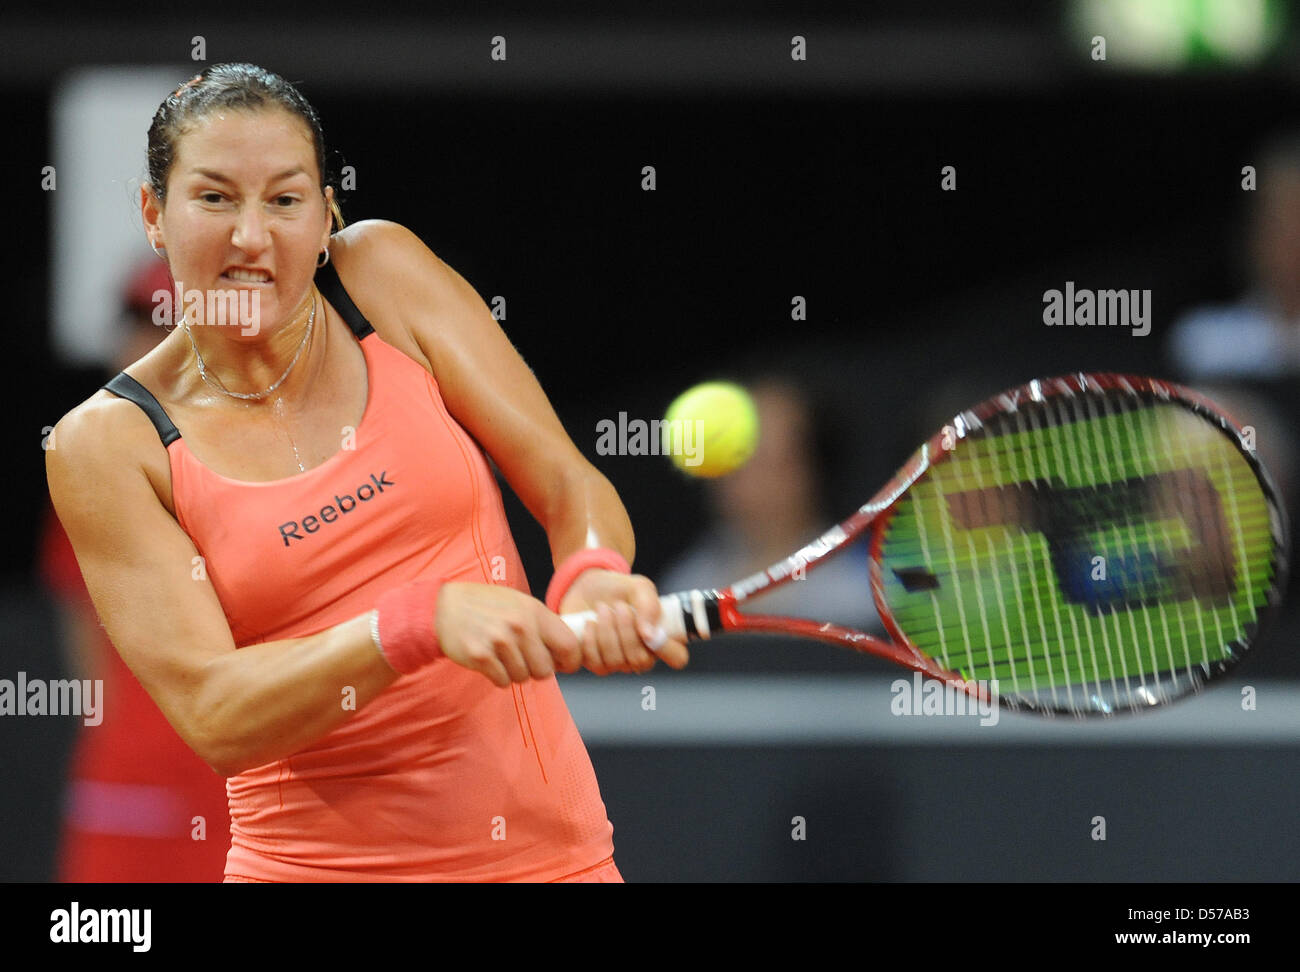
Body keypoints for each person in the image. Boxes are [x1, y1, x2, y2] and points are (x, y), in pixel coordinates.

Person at [45, 63, 687, 883]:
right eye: (214, 198)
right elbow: (214, 712)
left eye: (284, 199)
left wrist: (594, 569)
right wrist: (412, 623)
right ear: (154, 214)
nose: (251, 237)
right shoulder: (106, 442)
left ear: (325, 215)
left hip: (552, 861)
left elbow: (566, 482)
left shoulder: (384, 274)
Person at [42, 258, 230, 882]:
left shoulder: (267, 465)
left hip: (246, 778)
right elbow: (83, 638)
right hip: (133, 779)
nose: (148, 347)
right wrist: (118, 732)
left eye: (172, 328)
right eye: (139, 323)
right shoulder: (85, 465)